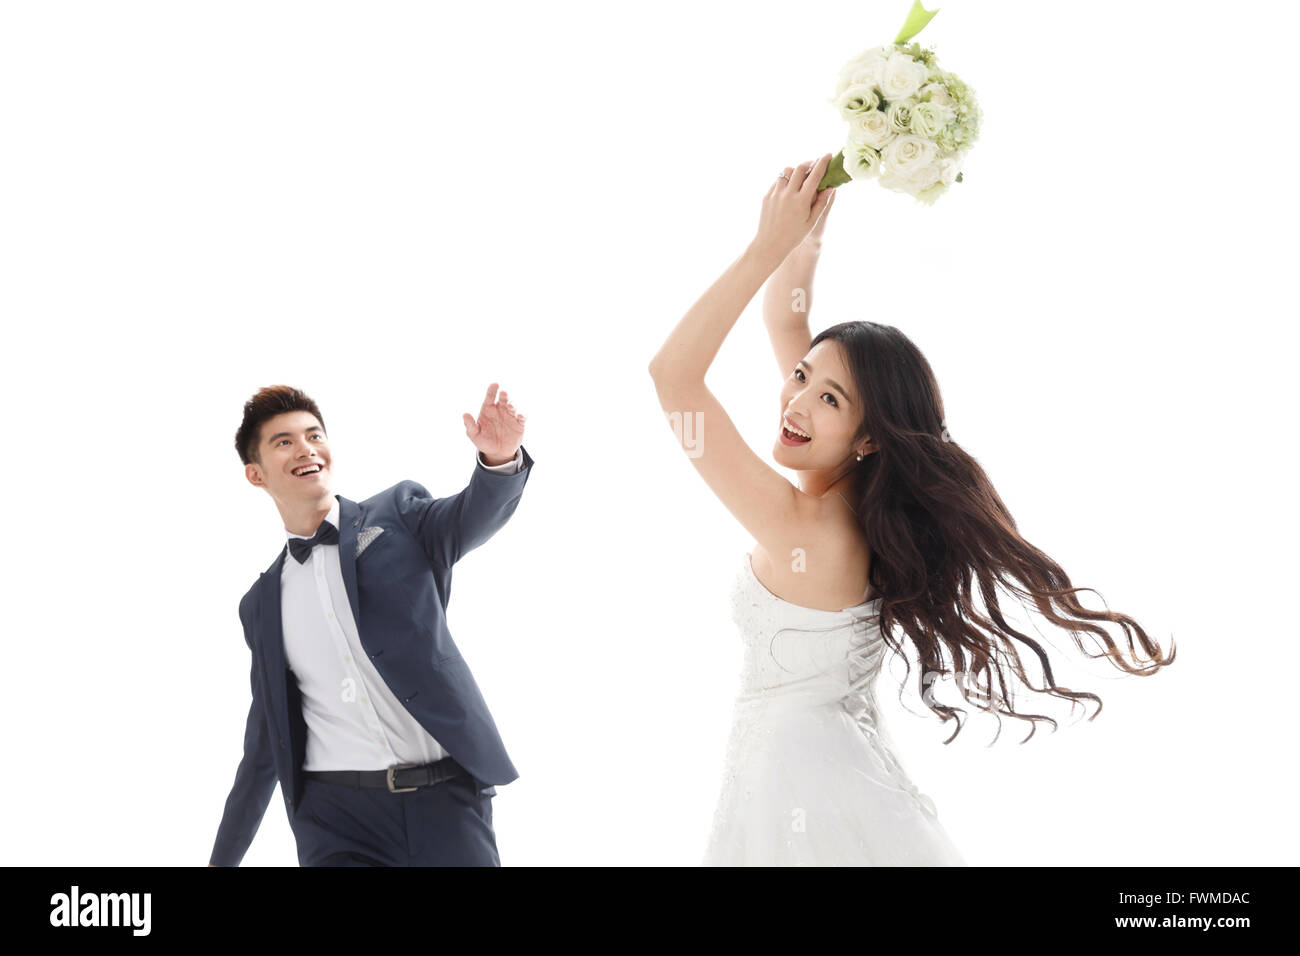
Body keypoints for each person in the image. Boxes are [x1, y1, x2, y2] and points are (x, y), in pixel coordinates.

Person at [648, 154, 1175, 865]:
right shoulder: (853, 489)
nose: (795, 402)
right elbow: (785, 317)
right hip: (815, 765)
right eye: (802, 378)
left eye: (828, 399)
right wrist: (806, 236)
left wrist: (763, 246)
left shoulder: (813, 532)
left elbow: (673, 376)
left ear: (868, 437)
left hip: (800, 785)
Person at [208, 383, 534, 866]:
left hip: (445, 804)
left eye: (314, 434)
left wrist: (500, 459)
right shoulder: (260, 605)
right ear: (255, 474)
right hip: (338, 822)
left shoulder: (398, 515)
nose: (306, 448)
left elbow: (468, 518)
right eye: (285, 441)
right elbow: (264, 745)